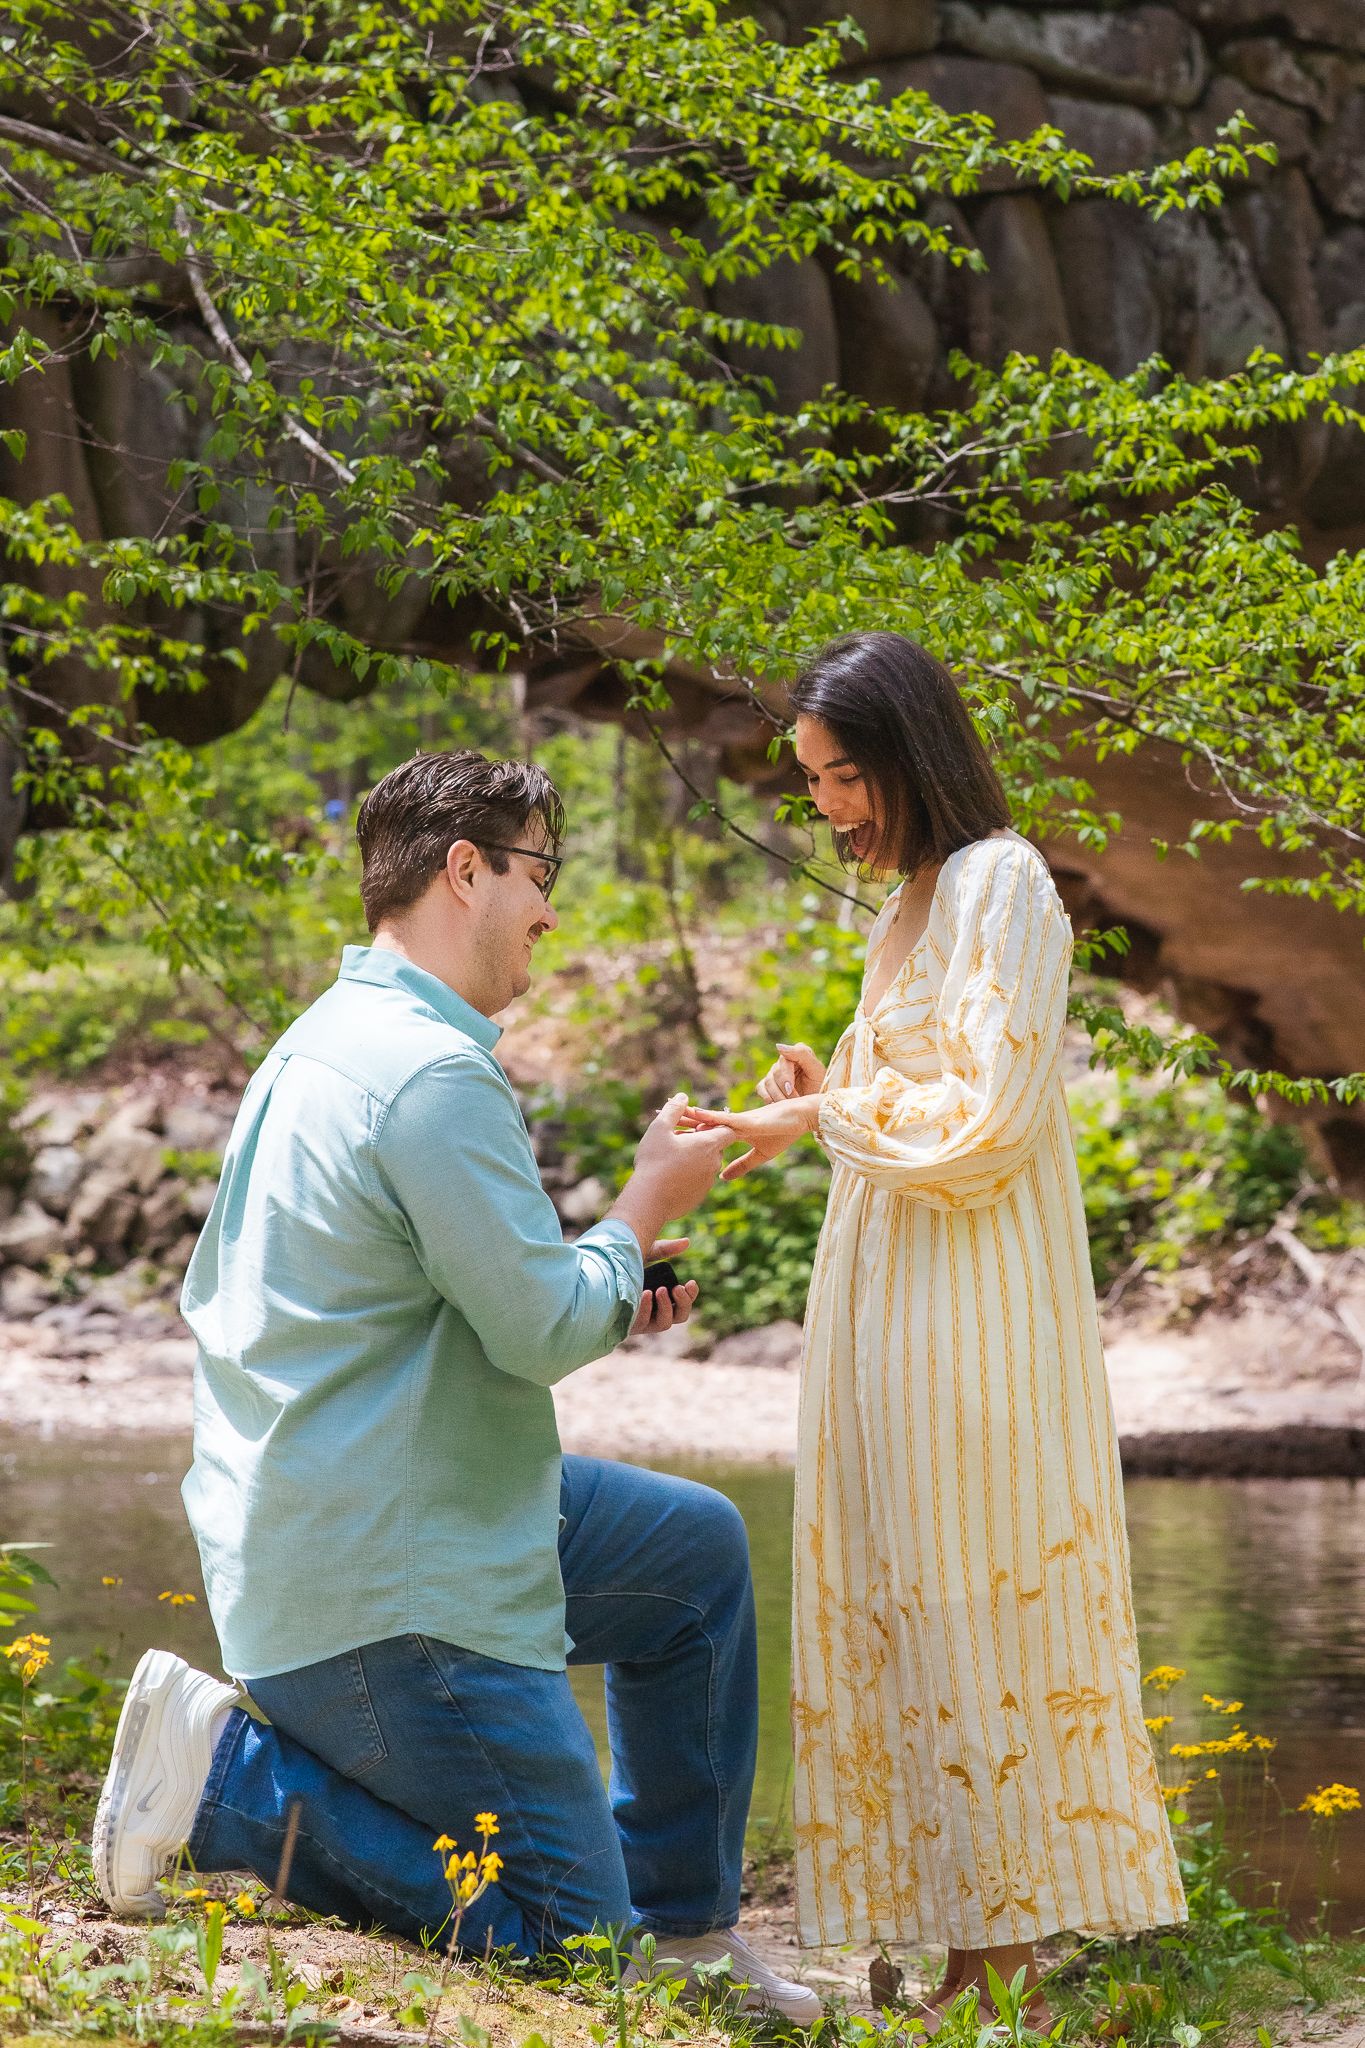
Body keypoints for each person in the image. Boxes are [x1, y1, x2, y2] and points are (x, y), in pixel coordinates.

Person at [92, 749, 820, 2022]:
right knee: (564, 1941)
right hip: (394, 1586)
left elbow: (492, 1296)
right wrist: (647, 1200)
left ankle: (693, 1938)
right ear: (465, 869)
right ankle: (223, 1779)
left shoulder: (329, 1041)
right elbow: (539, 1328)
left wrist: (605, 1265)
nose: (552, 907)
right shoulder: (429, 1075)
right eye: (541, 873)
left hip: (351, 1523)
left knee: (694, 1554)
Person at [681, 634, 1186, 2022]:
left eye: (846, 774)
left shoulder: (1001, 882)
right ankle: (957, 1953)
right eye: (813, 781)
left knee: (973, 1595)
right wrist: (818, 1088)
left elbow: (988, 1120)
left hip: (970, 1310)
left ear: (911, 755)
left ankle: (1004, 1963)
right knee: (901, 1600)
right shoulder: (908, 901)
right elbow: (906, 1086)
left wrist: (821, 1113)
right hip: (889, 1298)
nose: (830, 804)